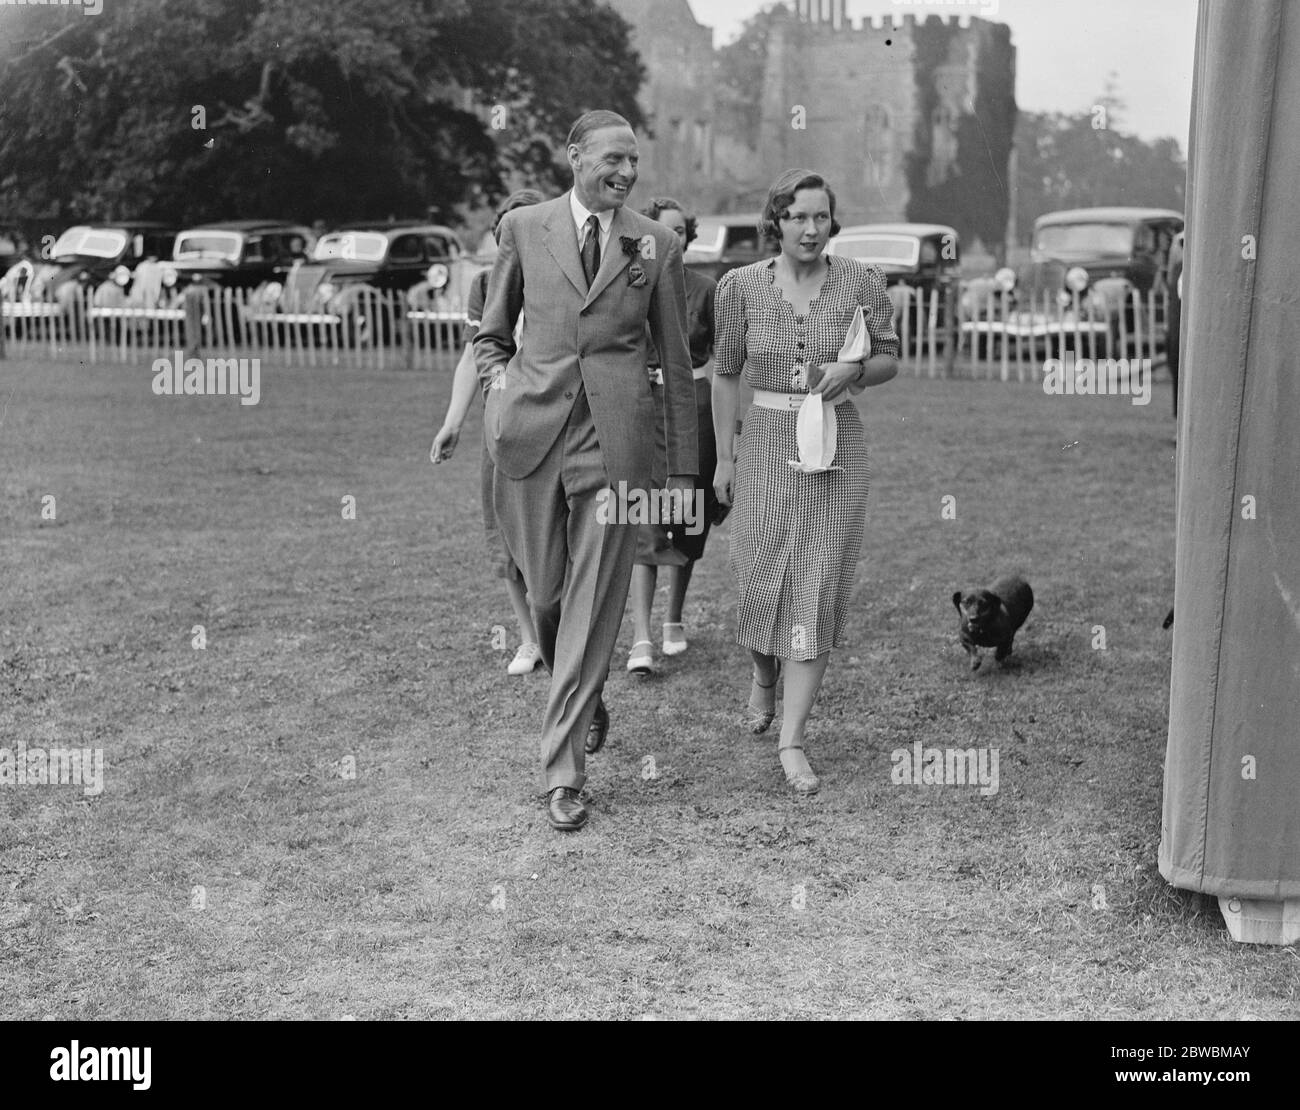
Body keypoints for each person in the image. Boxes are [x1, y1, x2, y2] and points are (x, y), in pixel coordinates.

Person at [474, 110, 697, 832]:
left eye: (635, 161)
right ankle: (584, 689)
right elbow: (491, 336)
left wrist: (685, 473)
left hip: (616, 450)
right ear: (574, 156)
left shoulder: (656, 245)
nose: (627, 172)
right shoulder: (523, 229)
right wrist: (498, 390)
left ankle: (563, 772)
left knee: (596, 598)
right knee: (544, 595)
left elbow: (678, 364)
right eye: (614, 159)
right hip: (531, 436)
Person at [712, 169, 899, 794]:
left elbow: (889, 358)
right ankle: (763, 674)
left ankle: (792, 738)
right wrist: (724, 460)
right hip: (764, 442)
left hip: (835, 447)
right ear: (776, 221)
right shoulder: (738, 287)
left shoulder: (861, 282)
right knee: (759, 578)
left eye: (820, 217)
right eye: (797, 217)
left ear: (832, 222)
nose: (810, 229)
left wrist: (851, 372)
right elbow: (724, 373)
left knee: (815, 586)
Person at [431, 189, 545, 676]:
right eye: (505, 236)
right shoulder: (484, 285)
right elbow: (471, 355)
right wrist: (453, 422)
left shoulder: (559, 280)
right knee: (502, 533)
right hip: (501, 423)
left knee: (549, 532)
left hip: (550, 421)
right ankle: (529, 637)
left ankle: (559, 634)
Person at [626, 197, 719, 674]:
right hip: (642, 409)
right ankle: (640, 636)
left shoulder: (706, 290)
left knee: (688, 516)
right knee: (641, 518)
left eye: (681, 230)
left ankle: (673, 619)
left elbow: (726, 364)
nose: (674, 238)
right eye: (665, 230)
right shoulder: (630, 285)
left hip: (694, 408)